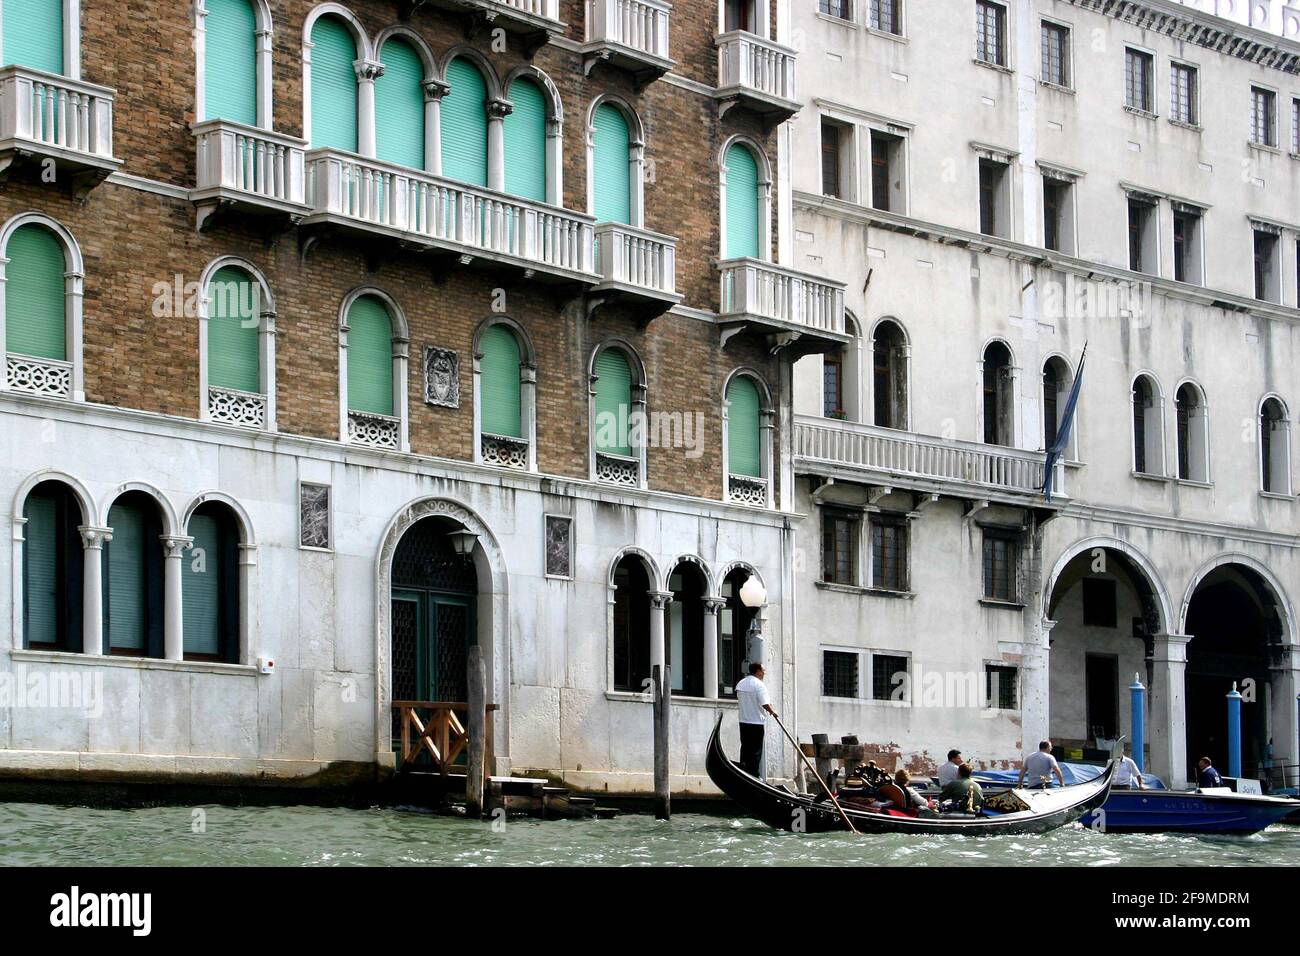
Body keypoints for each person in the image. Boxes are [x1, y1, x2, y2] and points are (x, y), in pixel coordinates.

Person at [735, 662, 777, 777]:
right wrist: (772, 711)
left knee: (745, 749)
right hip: (756, 723)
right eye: (763, 670)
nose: (764, 672)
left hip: (743, 721)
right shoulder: (759, 685)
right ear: (758, 671)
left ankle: (743, 771)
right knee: (755, 752)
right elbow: (765, 703)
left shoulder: (741, 683)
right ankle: (753, 774)